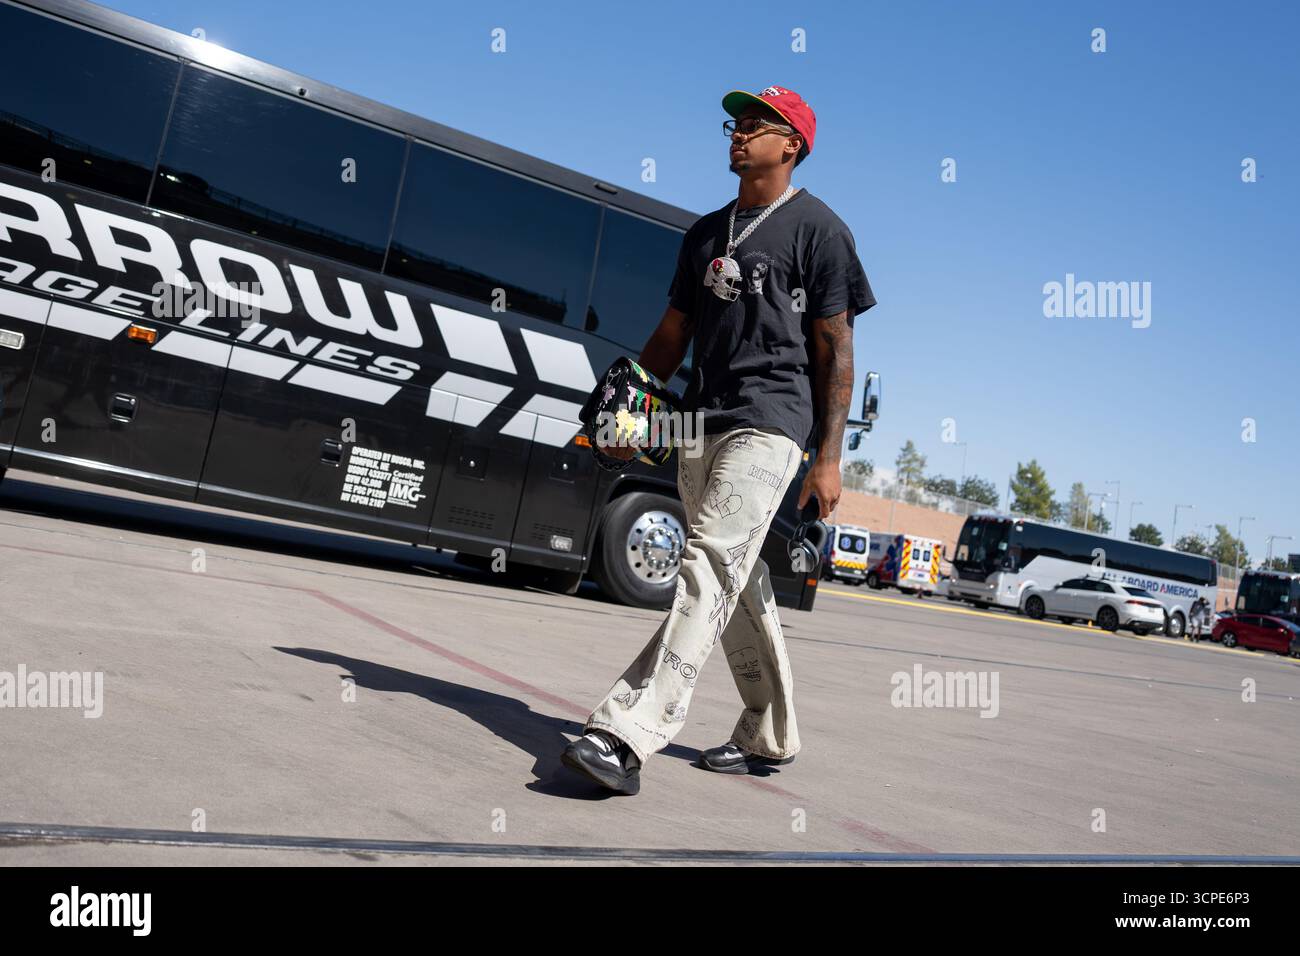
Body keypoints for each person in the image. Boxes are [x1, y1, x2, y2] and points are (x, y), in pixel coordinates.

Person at [561, 86, 876, 794]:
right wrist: (633, 402)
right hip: (703, 421)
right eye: (734, 123)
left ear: (791, 143)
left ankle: (626, 732)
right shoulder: (706, 233)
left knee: (704, 565)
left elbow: (836, 349)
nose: (738, 134)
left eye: (755, 125)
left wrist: (828, 458)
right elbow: (674, 334)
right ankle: (770, 732)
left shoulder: (819, 230)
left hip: (773, 424)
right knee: (739, 579)